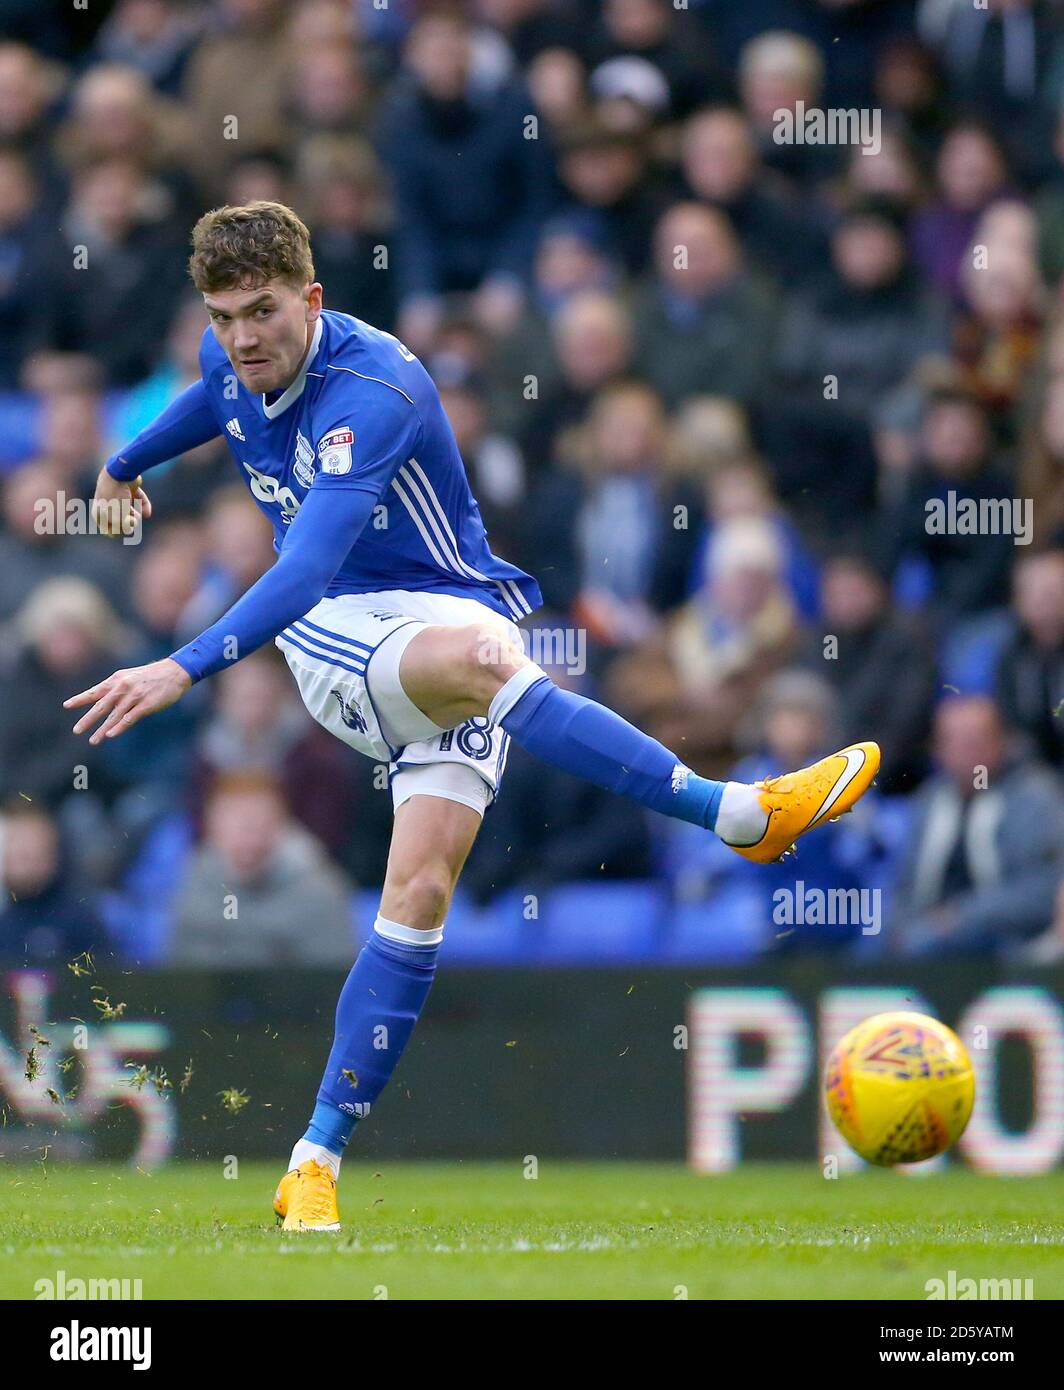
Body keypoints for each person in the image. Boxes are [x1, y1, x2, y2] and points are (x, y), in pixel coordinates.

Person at [64, 200, 879, 1232]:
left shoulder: (375, 389)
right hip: (337, 629)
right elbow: (223, 419)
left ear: (311, 300)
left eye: (261, 312)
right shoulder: (233, 352)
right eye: (222, 315)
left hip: (419, 618)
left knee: (414, 899)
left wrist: (180, 665)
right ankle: (735, 814)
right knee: (495, 658)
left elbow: (307, 547)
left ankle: (312, 1160)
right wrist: (126, 461)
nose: (240, 337)